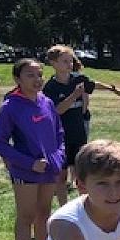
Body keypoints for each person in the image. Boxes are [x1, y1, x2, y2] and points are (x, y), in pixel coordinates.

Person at [0, 59, 66, 240]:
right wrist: (28, 163)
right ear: (17, 79)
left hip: (49, 171)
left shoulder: (47, 102)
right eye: (30, 75)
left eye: (39, 74)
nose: (37, 80)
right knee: (26, 218)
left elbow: (59, 134)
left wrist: (58, 159)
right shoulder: (10, 107)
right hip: (26, 172)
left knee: (44, 214)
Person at [44, 45, 96, 205]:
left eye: (71, 61)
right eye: (64, 61)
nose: (69, 64)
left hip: (79, 133)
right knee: (61, 175)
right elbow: (57, 110)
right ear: (53, 63)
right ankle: (63, 208)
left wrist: (112, 88)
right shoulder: (50, 87)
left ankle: (83, 206)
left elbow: (93, 85)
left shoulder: (78, 79)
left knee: (82, 174)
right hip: (60, 137)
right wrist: (74, 95)